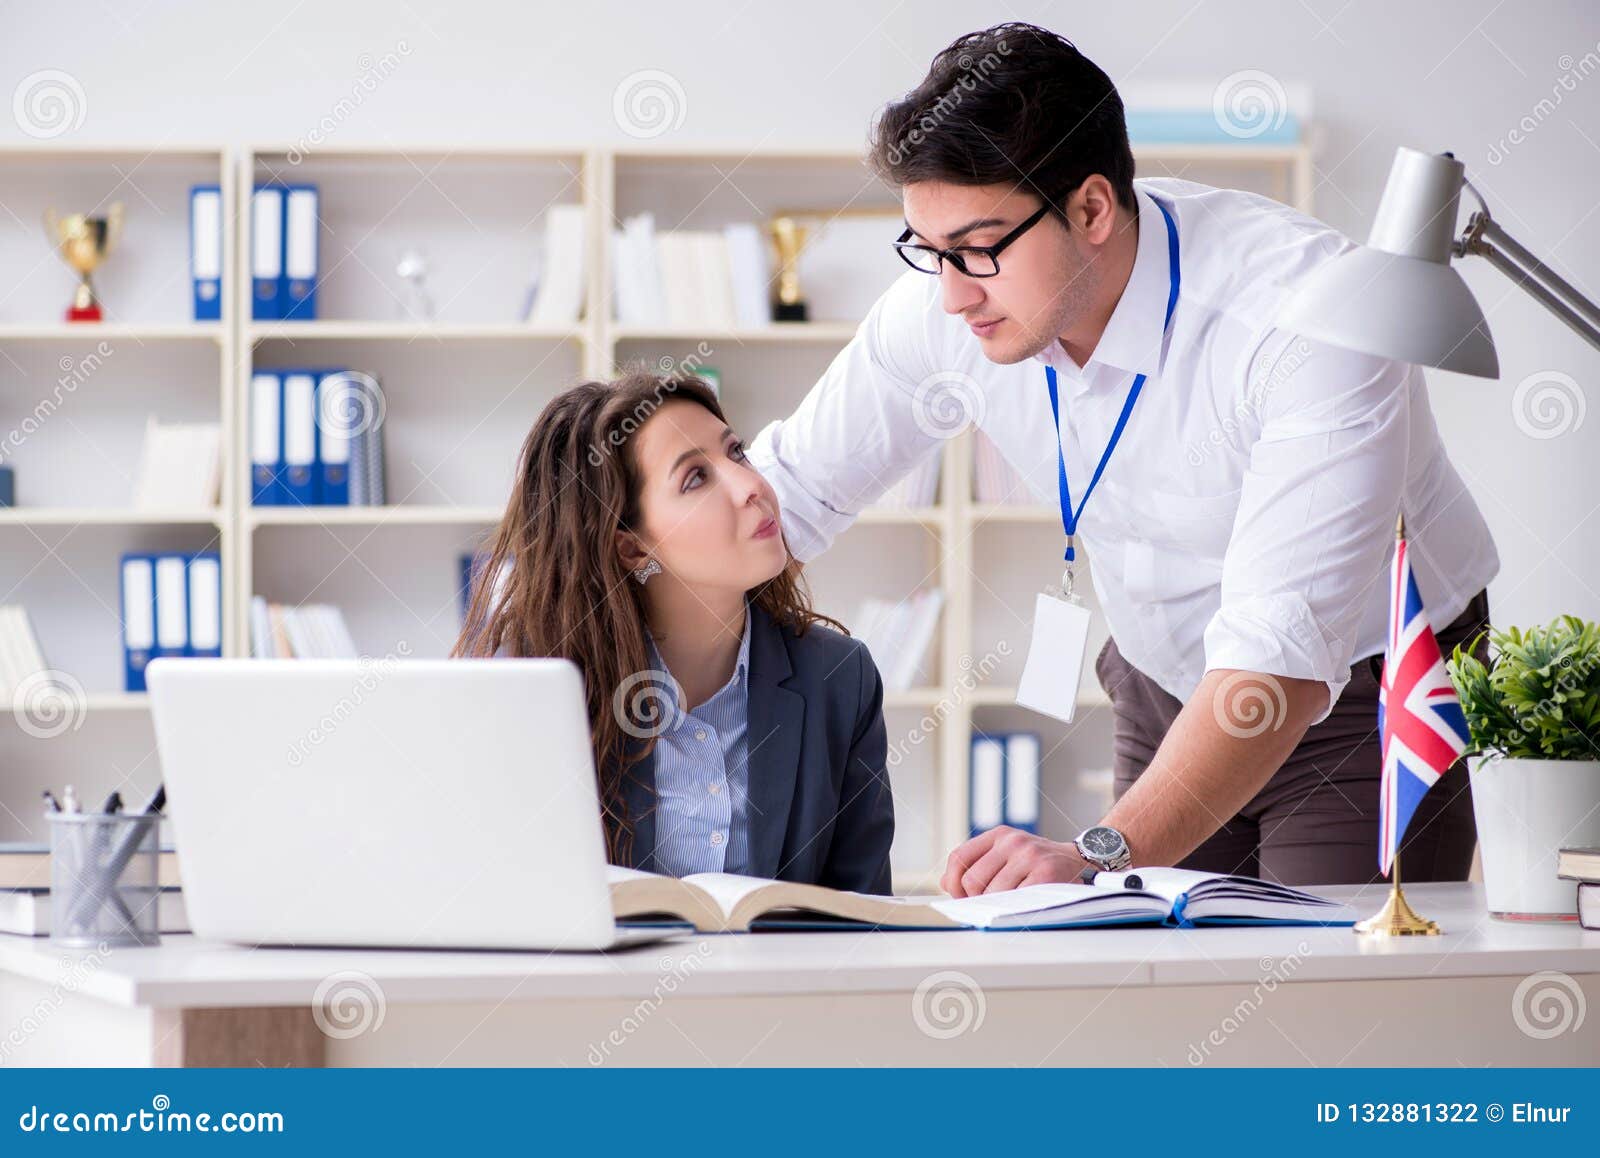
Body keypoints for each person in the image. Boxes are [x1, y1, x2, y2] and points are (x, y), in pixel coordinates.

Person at [746, 23, 1498, 892]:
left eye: (978, 248)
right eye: (929, 251)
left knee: (1320, 996)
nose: (950, 295)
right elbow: (786, 494)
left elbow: (1280, 658)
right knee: (1156, 981)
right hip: (1161, 672)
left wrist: (1095, 850)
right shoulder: (949, 300)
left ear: (1093, 209)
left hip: (1369, 690)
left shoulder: (1306, 320)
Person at [455, 371, 895, 893]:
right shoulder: (535, 691)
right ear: (633, 549)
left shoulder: (840, 680)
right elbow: (506, 911)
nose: (752, 486)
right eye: (695, 478)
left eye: (737, 453)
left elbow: (864, 927)